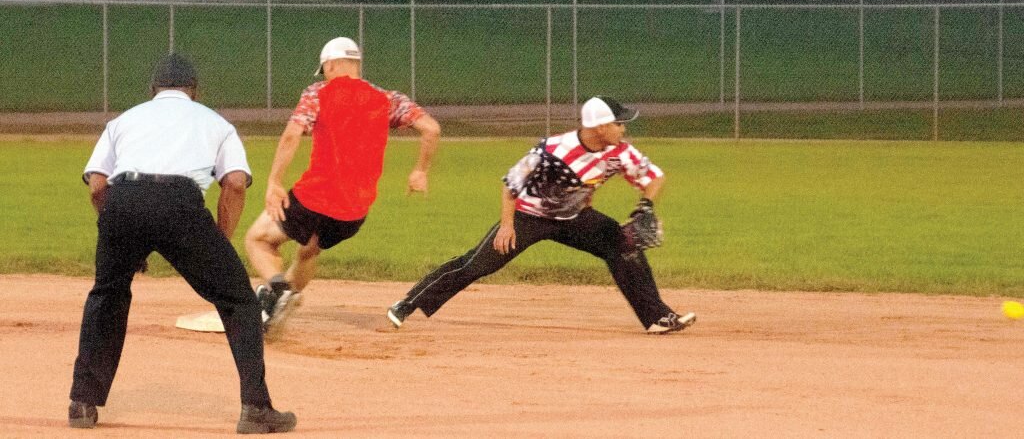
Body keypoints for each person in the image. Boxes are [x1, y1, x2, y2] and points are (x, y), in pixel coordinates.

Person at [69, 53, 296, 434]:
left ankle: (82, 403)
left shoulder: (124, 119)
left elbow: (97, 185)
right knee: (239, 301)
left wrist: (120, 233)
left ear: (152, 89)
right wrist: (217, 243)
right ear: (194, 91)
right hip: (179, 204)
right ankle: (256, 408)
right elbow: (236, 183)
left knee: (107, 294)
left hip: (122, 200)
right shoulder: (215, 122)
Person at [387, 96, 696, 335]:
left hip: (576, 218)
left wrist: (646, 205)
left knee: (625, 244)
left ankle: (657, 317)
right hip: (529, 216)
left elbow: (654, 176)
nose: (623, 128)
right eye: (619, 123)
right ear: (601, 127)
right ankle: (408, 303)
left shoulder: (620, 152)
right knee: (477, 264)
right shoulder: (551, 150)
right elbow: (511, 184)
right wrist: (507, 226)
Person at [245, 36, 441, 335]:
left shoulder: (318, 93)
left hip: (314, 197)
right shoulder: (388, 98)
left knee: (257, 239)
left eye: (324, 67)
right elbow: (431, 128)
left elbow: (291, 134)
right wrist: (420, 171)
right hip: (354, 212)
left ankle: (277, 290)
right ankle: (282, 305)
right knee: (309, 249)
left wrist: (274, 181)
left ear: (332, 64)